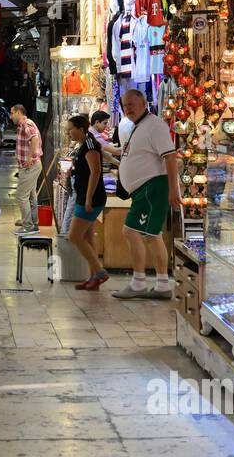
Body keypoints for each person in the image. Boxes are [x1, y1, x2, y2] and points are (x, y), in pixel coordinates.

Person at [112, 88, 182, 299]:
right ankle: (161, 285)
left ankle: (139, 282)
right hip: (145, 190)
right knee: (151, 235)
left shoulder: (155, 125)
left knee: (131, 232)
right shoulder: (139, 126)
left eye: (132, 104)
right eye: (125, 105)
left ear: (144, 103)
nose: (128, 109)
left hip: (153, 188)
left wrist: (173, 190)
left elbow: (170, 158)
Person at [65, 114, 110, 290]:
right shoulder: (83, 145)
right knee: (88, 237)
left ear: (81, 129)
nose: (68, 132)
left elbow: (96, 171)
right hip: (84, 195)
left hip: (91, 198)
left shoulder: (90, 145)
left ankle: (99, 272)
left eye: (71, 129)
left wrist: (89, 198)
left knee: (74, 236)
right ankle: (94, 278)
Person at [10, 103, 43, 233]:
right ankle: (33, 224)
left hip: (30, 166)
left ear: (19, 112)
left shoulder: (25, 124)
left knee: (21, 196)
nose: (10, 116)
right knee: (31, 196)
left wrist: (29, 157)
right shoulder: (23, 125)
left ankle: (28, 226)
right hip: (31, 166)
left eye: (12, 113)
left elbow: (34, 138)